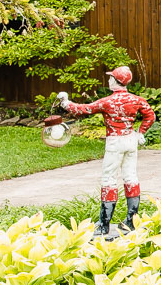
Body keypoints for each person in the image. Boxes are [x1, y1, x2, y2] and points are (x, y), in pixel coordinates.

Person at [57, 66, 155, 236]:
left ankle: (104, 224)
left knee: (109, 179)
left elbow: (83, 109)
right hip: (131, 139)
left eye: (111, 78)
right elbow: (150, 116)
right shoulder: (136, 99)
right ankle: (131, 221)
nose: (109, 80)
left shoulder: (108, 102)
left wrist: (65, 102)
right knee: (131, 177)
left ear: (116, 81)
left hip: (115, 141)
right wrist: (141, 133)